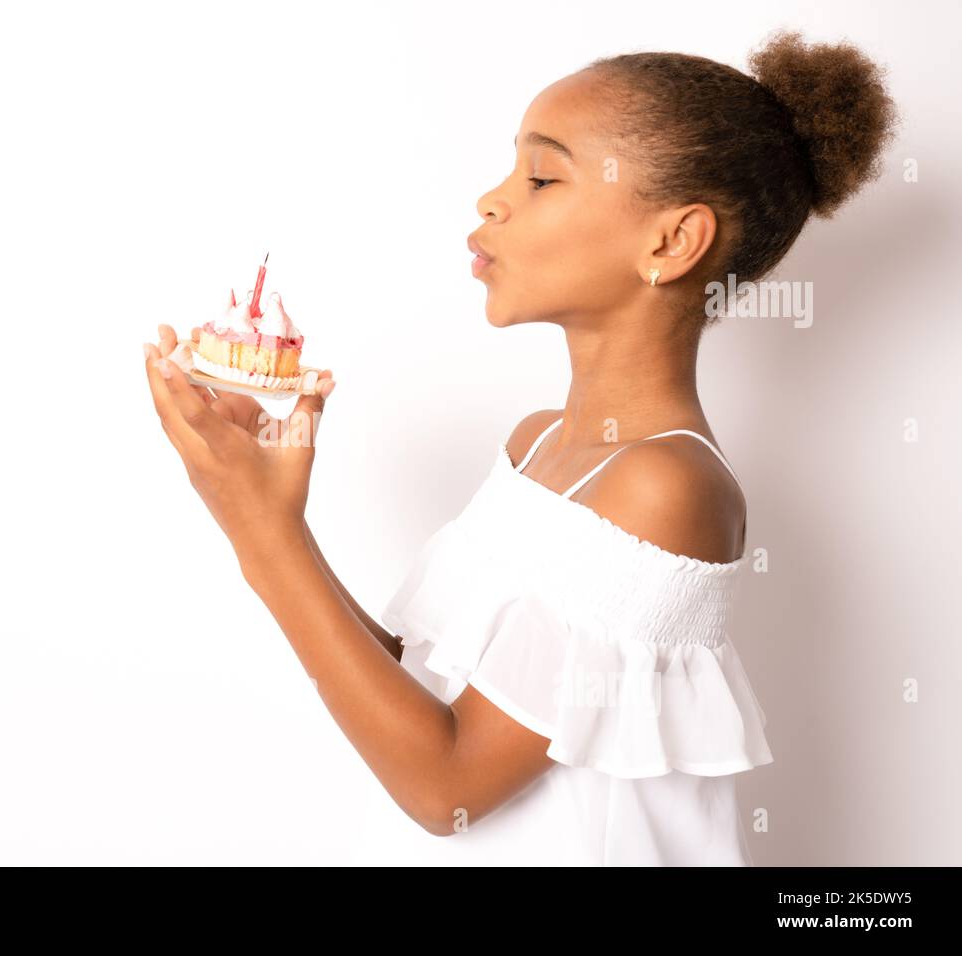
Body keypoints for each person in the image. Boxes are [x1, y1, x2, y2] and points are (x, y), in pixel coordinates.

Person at [141, 29, 898, 864]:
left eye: (542, 177)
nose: (491, 201)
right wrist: (267, 510)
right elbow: (423, 692)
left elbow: (449, 787)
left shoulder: (666, 488)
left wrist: (262, 535)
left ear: (671, 243)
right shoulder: (537, 445)